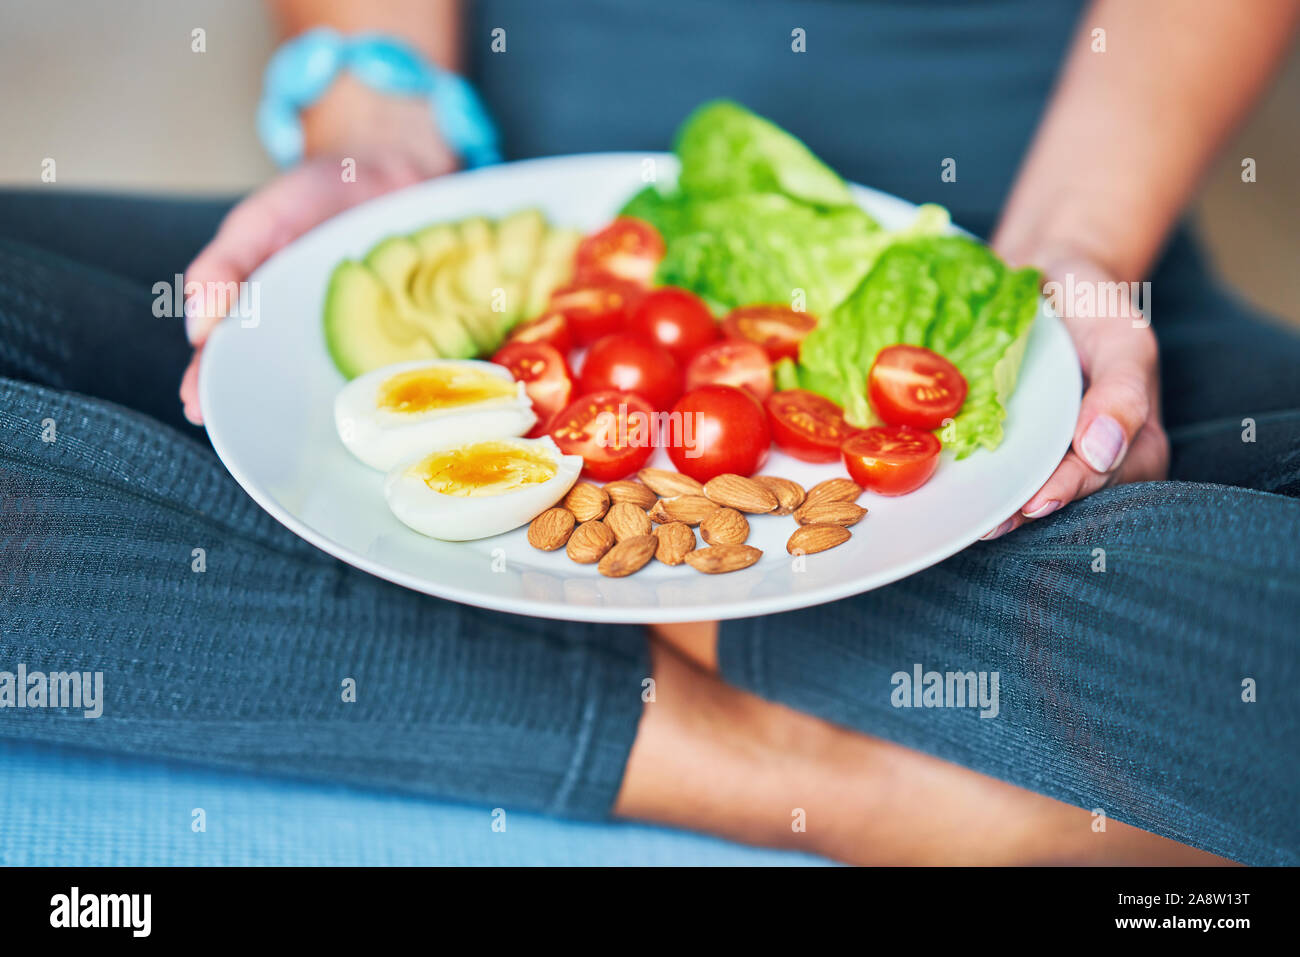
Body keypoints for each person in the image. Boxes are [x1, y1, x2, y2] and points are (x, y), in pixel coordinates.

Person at [2, 0, 1297, 864]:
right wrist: (378, 131)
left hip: (1040, 261)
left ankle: (601, 637)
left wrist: (1078, 247)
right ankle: (806, 762)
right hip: (493, 244)